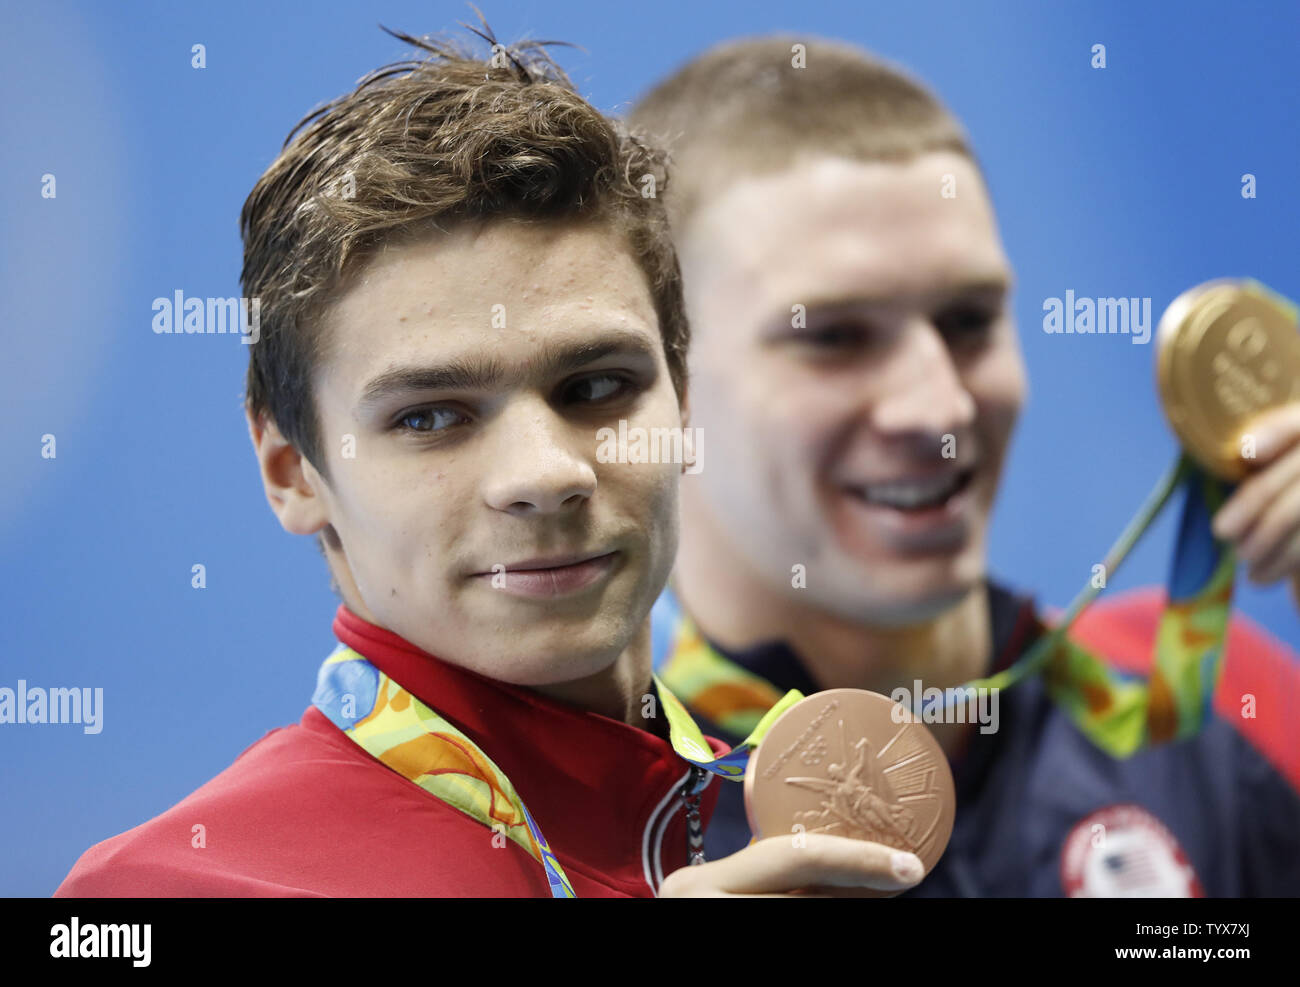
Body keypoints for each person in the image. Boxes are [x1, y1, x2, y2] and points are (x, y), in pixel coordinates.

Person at [52, 24, 928, 899]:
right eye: (431, 416)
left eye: (594, 387)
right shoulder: (161, 889)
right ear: (292, 470)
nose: (544, 473)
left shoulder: (813, 828)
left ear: (684, 398)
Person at [627, 36, 1300, 897]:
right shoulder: (584, 835)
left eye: (969, 320)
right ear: (663, 383)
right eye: (834, 336)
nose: (938, 408)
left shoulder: (1211, 702)